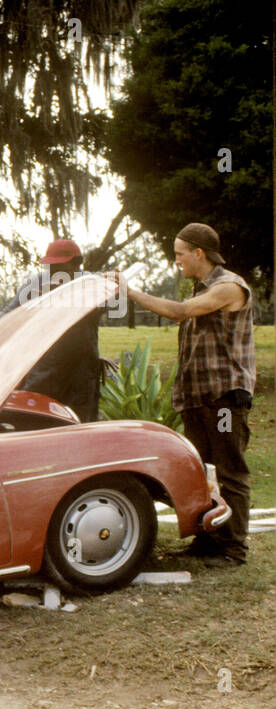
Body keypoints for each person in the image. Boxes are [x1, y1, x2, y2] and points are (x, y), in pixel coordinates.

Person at [117, 222, 255, 566]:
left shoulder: (229, 287)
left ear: (198, 253)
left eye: (180, 253)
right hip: (198, 398)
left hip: (224, 399)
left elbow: (179, 312)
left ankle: (233, 548)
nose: (176, 260)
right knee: (202, 472)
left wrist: (129, 291)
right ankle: (208, 542)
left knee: (228, 470)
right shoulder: (199, 289)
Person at [0, 238, 104, 422]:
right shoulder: (36, 284)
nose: (55, 272)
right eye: (51, 267)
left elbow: (109, 304)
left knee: (80, 425)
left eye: (61, 266)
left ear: (76, 264)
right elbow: (7, 314)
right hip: (44, 369)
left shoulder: (94, 284)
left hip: (81, 372)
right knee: (36, 420)